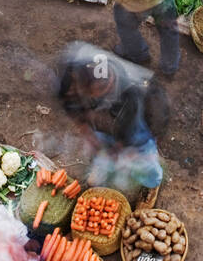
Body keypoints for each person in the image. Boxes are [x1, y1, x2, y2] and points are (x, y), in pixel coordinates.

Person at [57, 42, 169, 200]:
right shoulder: (75, 69)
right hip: (106, 125)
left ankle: (152, 182)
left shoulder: (136, 89)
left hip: (136, 129)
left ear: (111, 78)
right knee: (102, 149)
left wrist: (123, 150)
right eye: (86, 91)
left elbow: (157, 121)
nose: (93, 95)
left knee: (143, 160)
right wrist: (86, 130)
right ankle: (104, 163)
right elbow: (66, 100)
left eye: (100, 90)